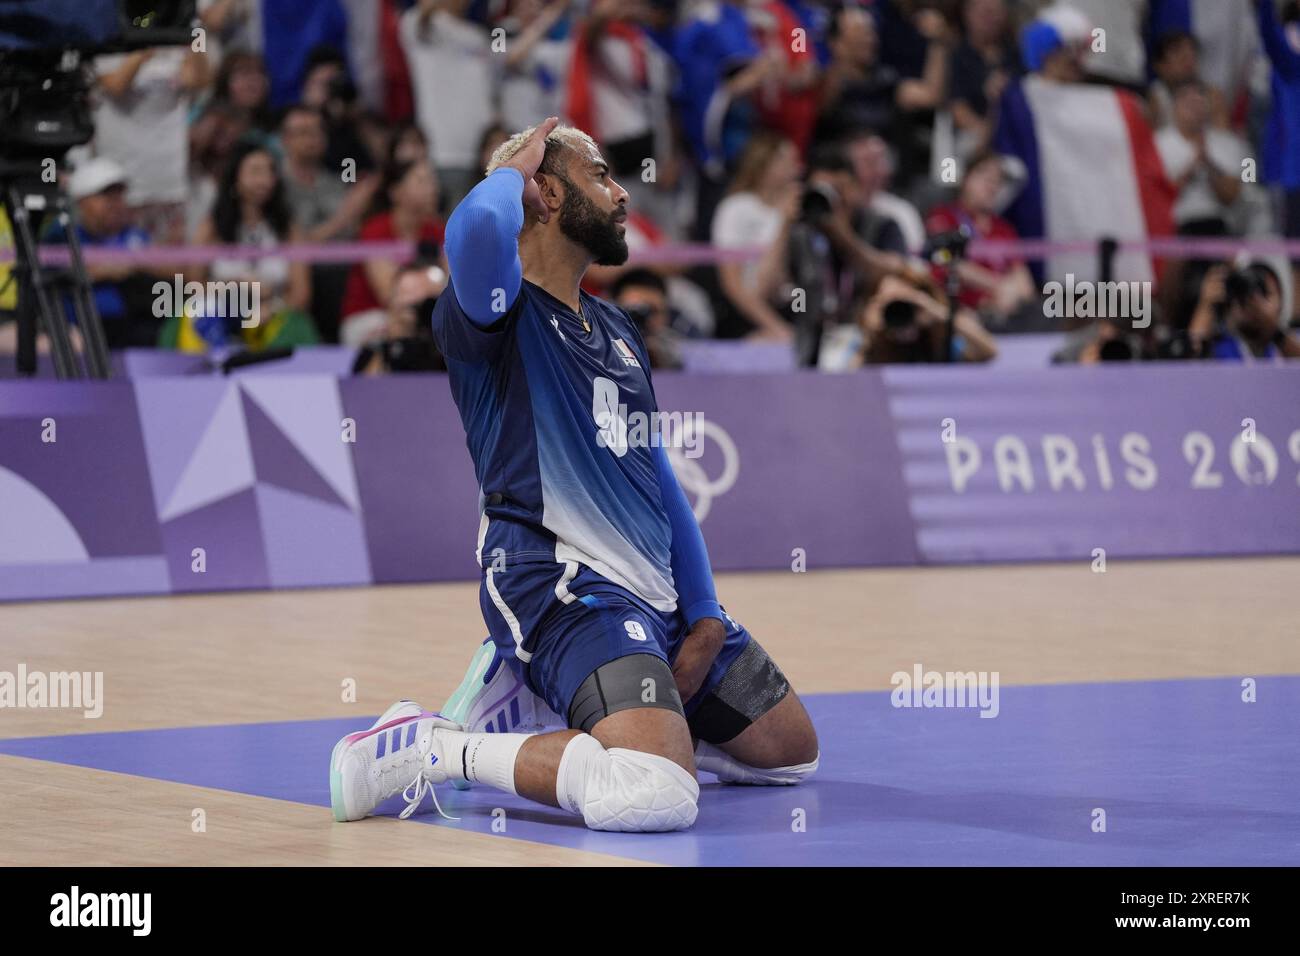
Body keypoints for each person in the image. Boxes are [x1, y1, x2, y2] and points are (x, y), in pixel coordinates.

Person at [329, 118, 819, 833]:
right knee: (654, 795)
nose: (622, 195)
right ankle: (433, 747)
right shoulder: (491, 310)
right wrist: (510, 170)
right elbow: (470, 235)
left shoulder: (617, 329)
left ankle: (573, 706)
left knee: (790, 756)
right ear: (548, 195)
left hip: (656, 596)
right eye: (603, 176)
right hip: (561, 586)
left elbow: (657, 478)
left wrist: (706, 612)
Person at [339, 158, 447, 346]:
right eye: (422, 181)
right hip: (371, 314)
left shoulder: (439, 231)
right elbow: (389, 294)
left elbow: (452, 286)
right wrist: (431, 284)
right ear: (396, 192)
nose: (433, 188)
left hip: (426, 316)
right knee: (399, 328)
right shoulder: (374, 231)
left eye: (432, 181)